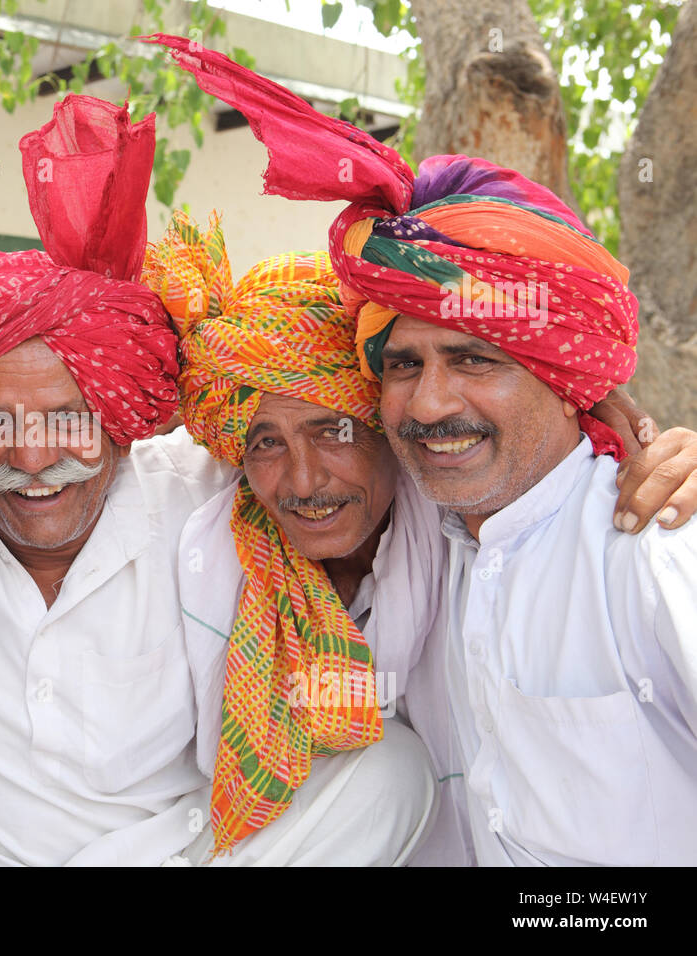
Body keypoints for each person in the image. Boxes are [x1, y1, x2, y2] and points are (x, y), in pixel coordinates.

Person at [153, 34, 697, 865]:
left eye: (476, 359)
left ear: (563, 375)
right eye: (403, 365)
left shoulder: (654, 548)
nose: (431, 402)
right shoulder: (441, 537)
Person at [0, 94, 438, 866]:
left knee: (391, 774)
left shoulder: (213, 502)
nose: (31, 459)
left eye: (67, 419)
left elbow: (378, 427)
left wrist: (592, 415)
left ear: (125, 427)